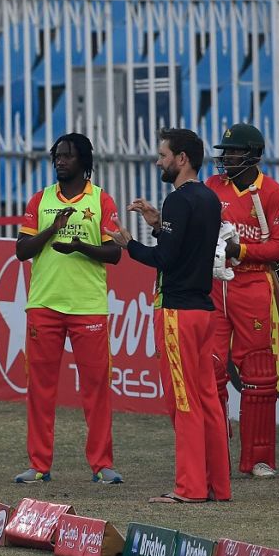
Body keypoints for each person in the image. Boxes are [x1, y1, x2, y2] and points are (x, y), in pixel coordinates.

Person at [111, 128, 230, 504]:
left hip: (177, 311)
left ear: (181, 159)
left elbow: (164, 259)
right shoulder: (210, 199)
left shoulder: (179, 199)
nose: (158, 161)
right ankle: (217, 486)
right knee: (208, 398)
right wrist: (158, 224)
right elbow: (187, 247)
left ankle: (189, 488)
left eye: (163, 155)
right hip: (203, 309)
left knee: (184, 401)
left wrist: (129, 244)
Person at [13, 133, 124, 485]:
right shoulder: (40, 199)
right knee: (41, 388)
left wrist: (78, 245)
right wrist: (52, 230)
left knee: (96, 388)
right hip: (43, 304)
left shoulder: (102, 200)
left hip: (88, 306)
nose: (60, 161)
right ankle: (39, 465)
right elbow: (22, 250)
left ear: (84, 162)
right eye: (57, 156)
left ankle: (102, 465)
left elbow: (115, 253)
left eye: (67, 156)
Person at [206, 123, 279, 478]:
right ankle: (215, 448)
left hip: (252, 285)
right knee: (208, 368)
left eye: (235, 152)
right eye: (226, 151)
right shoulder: (212, 186)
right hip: (212, 287)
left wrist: (240, 249)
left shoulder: (272, 192)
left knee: (258, 372)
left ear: (253, 154)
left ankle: (258, 458)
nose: (227, 158)